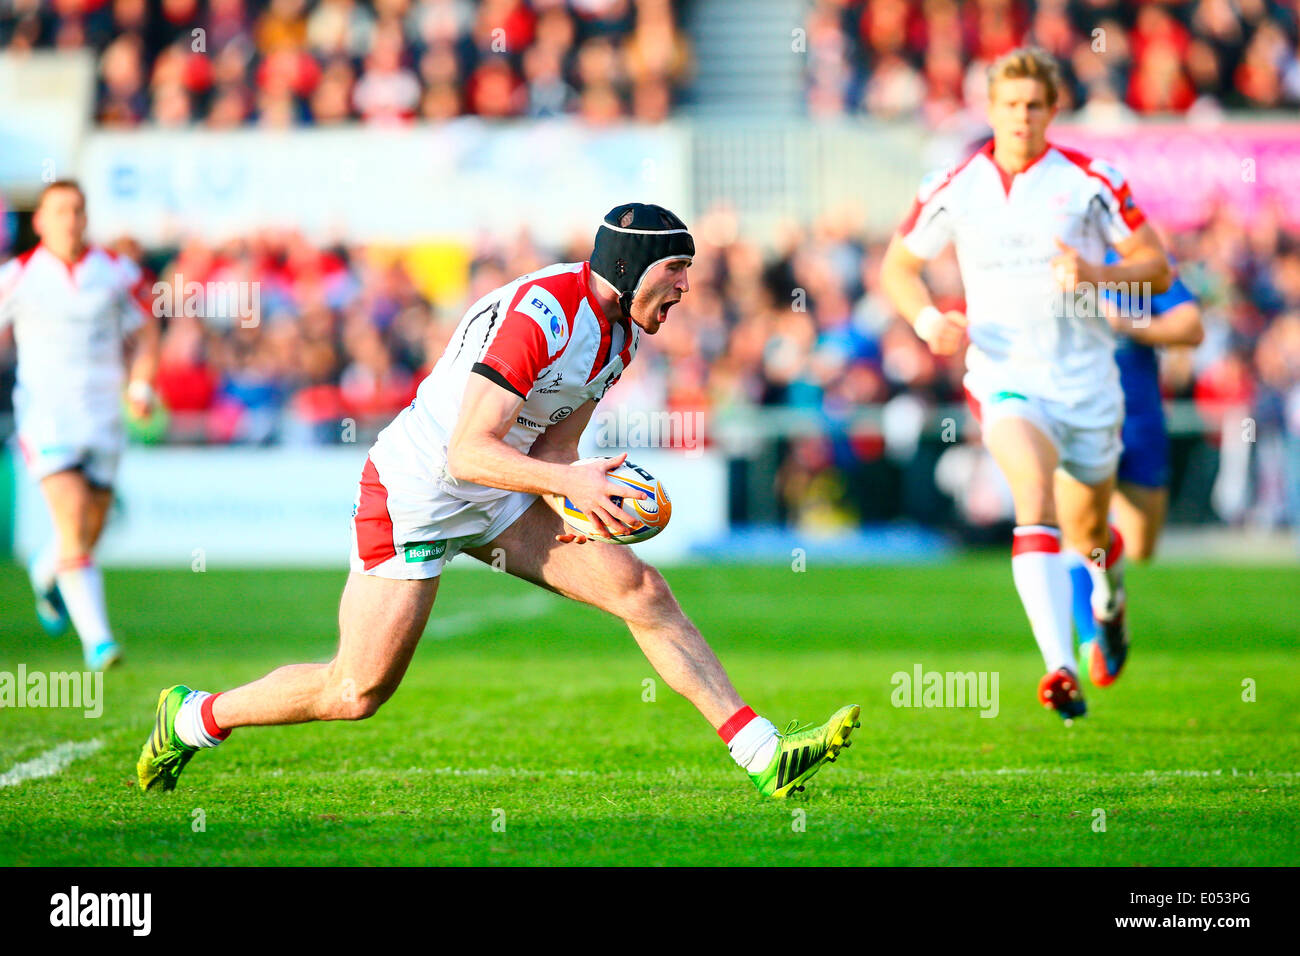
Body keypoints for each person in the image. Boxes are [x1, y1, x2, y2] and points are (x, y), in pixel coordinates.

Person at [137, 203, 859, 797]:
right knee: (355, 691)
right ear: (632, 267)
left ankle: (764, 754)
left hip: (505, 492)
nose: (685, 288)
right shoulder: (543, 315)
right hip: (418, 493)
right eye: (675, 270)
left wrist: (582, 503)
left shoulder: (620, 339)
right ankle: (194, 716)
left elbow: (550, 454)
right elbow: (467, 450)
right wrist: (571, 486)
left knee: (642, 590)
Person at [879, 47, 1173, 721]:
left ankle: (1108, 595)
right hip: (1007, 377)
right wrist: (928, 320)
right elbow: (899, 265)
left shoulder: (1092, 181)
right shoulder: (953, 185)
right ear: (990, 109)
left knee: (1089, 530)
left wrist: (1097, 277)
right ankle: (1059, 666)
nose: (1022, 116)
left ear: (1053, 109)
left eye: (1034, 104)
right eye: (1010, 105)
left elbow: (1155, 268)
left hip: (1088, 385)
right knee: (1032, 497)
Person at [0, 180, 159, 670]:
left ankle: (47, 572)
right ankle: (100, 642)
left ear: (87, 218)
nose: (69, 219)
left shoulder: (116, 272)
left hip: (104, 417)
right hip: (46, 417)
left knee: (89, 528)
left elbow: (147, 330)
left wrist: (141, 385)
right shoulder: (17, 276)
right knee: (70, 518)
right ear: (41, 220)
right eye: (59, 211)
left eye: (78, 210)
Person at [1069, 248, 1202, 648]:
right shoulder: (1051, 262)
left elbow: (1191, 328)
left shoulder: (1134, 265)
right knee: (1073, 527)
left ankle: (1110, 578)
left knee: (1141, 544)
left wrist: (1128, 324)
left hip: (1139, 419)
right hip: (1078, 415)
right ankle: (1093, 638)